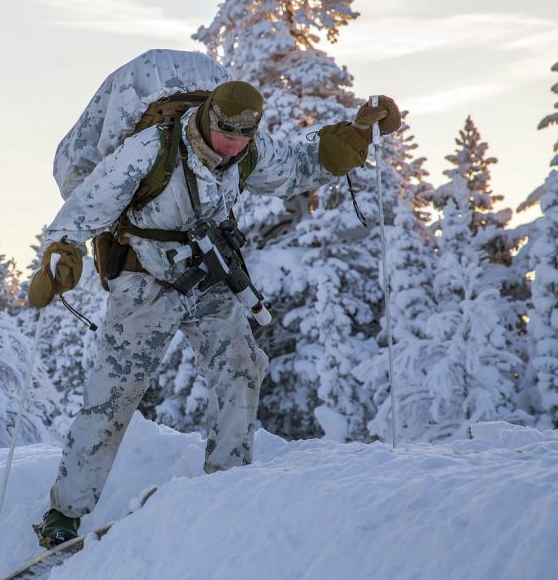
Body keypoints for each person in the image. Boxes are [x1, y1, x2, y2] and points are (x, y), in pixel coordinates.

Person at [28, 81, 400, 547]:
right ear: (207, 118)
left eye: (243, 138)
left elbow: (295, 168)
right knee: (114, 393)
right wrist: (62, 252)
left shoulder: (247, 148)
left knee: (241, 365)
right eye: (226, 135)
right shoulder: (151, 148)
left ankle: (227, 486)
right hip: (145, 281)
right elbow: (87, 206)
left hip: (208, 275)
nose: (232, 147)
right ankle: (64, 513)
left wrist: (354, 137)